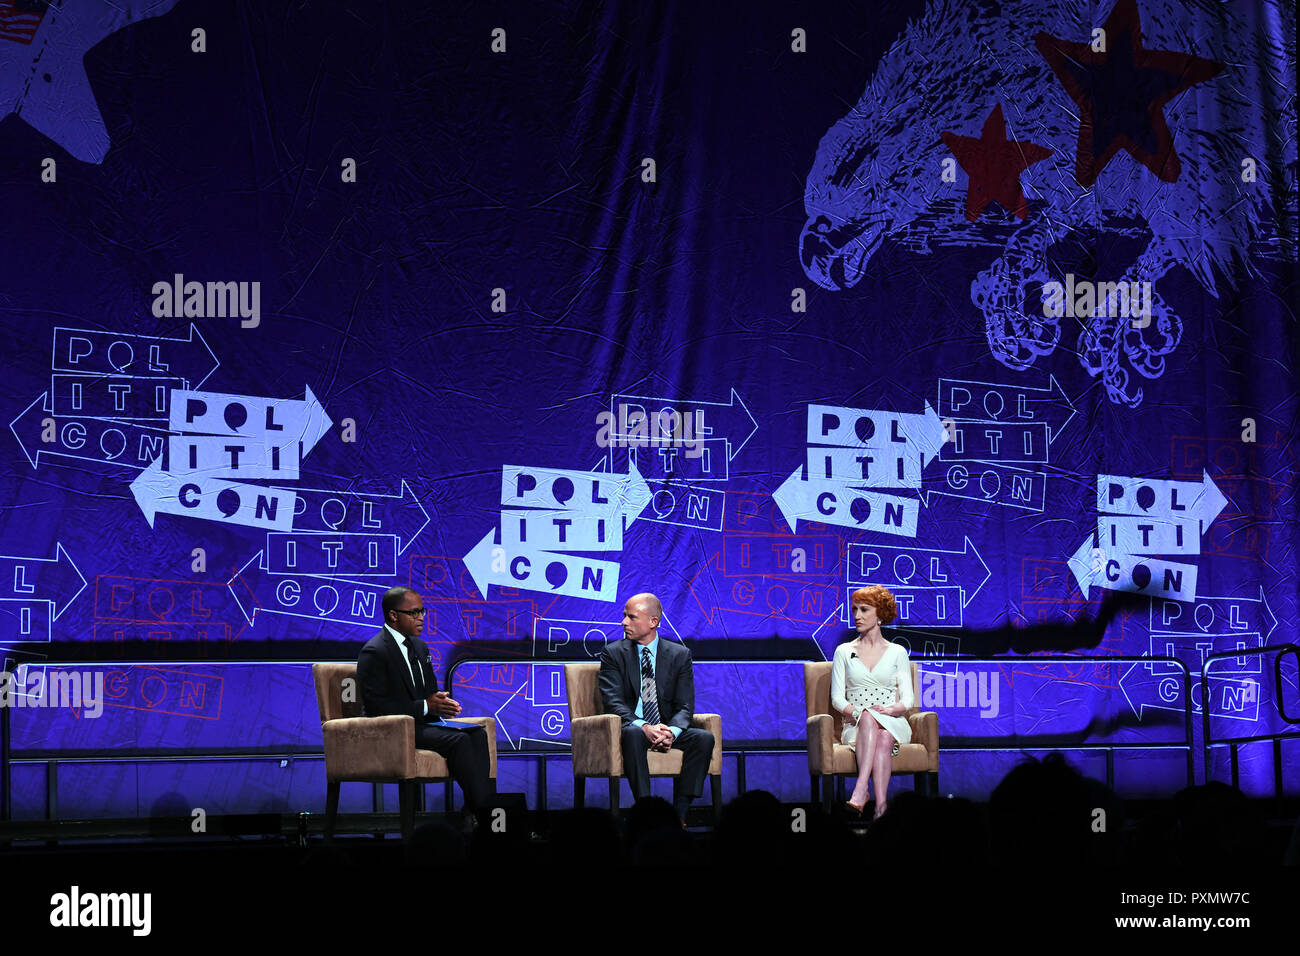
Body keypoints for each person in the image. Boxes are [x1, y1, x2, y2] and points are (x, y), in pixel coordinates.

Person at [356, 586, 491, 811]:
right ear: (393, 615)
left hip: (422, 723)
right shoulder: (375, 651)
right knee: (459, 741)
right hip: (395, 729)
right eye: (414, 613)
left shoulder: (419, 646)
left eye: (423, 612)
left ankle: (474, 810)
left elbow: (428, 691)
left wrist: (439, 702)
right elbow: (376, 707)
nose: (421, 618)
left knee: (477, 733)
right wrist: (426, 706)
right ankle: (486, 812)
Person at [598, 592, 714, 823]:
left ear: (653, 622)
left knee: (703, 739)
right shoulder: (613, 653)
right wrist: (644, 726)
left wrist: (671, 731)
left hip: (665, 727)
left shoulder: (679, 655)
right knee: (632, 733)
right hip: (633, 727)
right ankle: (647, 813)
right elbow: (613, 701)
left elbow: (685, 705)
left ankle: (679, 815)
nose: (624, 622)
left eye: (631, 617)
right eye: (624, 616)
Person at [831, 585, 913, 820]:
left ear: (880, 614)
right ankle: (881, 809)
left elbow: (908, 700)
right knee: (880, 734)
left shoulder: (897, 652)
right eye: (854, 609)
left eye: (864, 610)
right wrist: (858, 713)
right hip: (855, 725)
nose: (857, 615)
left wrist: (888, 710)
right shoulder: (844, 651)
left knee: (885, 730)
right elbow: (837, 698)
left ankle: (860, 790)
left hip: (892, 720)